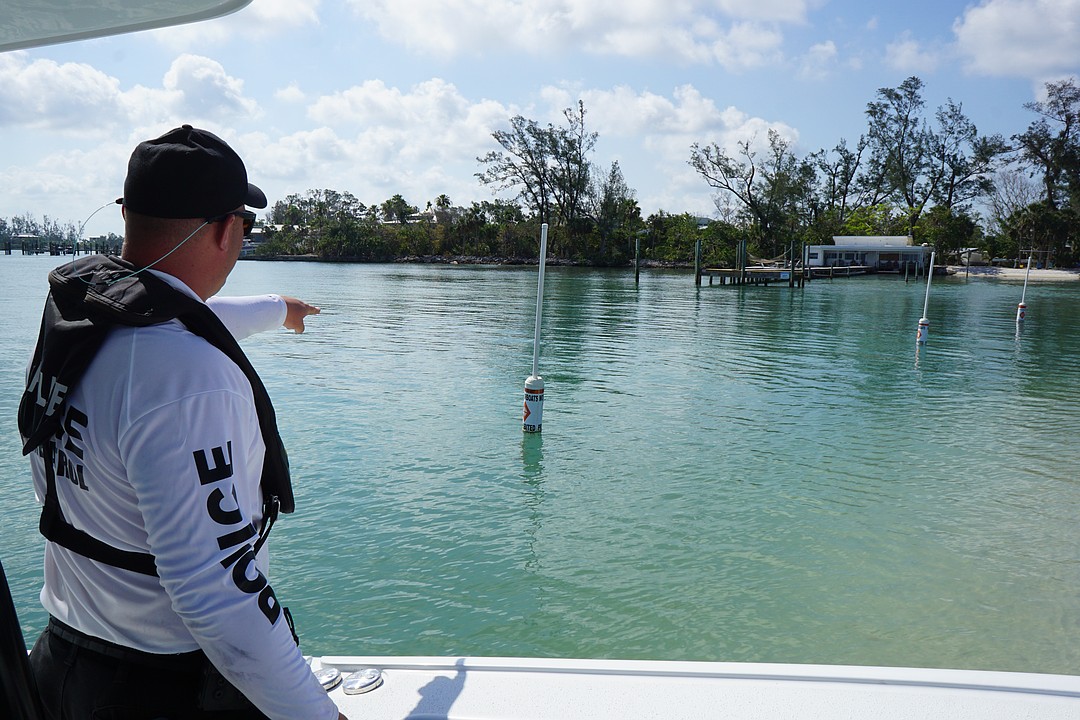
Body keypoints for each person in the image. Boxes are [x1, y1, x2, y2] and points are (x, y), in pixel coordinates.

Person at [17, 124, 347, 720]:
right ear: (226, 228)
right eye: (244, 226)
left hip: (64, 663)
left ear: (128, 213)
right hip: (164, 691)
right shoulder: (191, 379)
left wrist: (279, 310)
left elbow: (184, 311)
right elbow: (218, 594)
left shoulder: (80, 315)